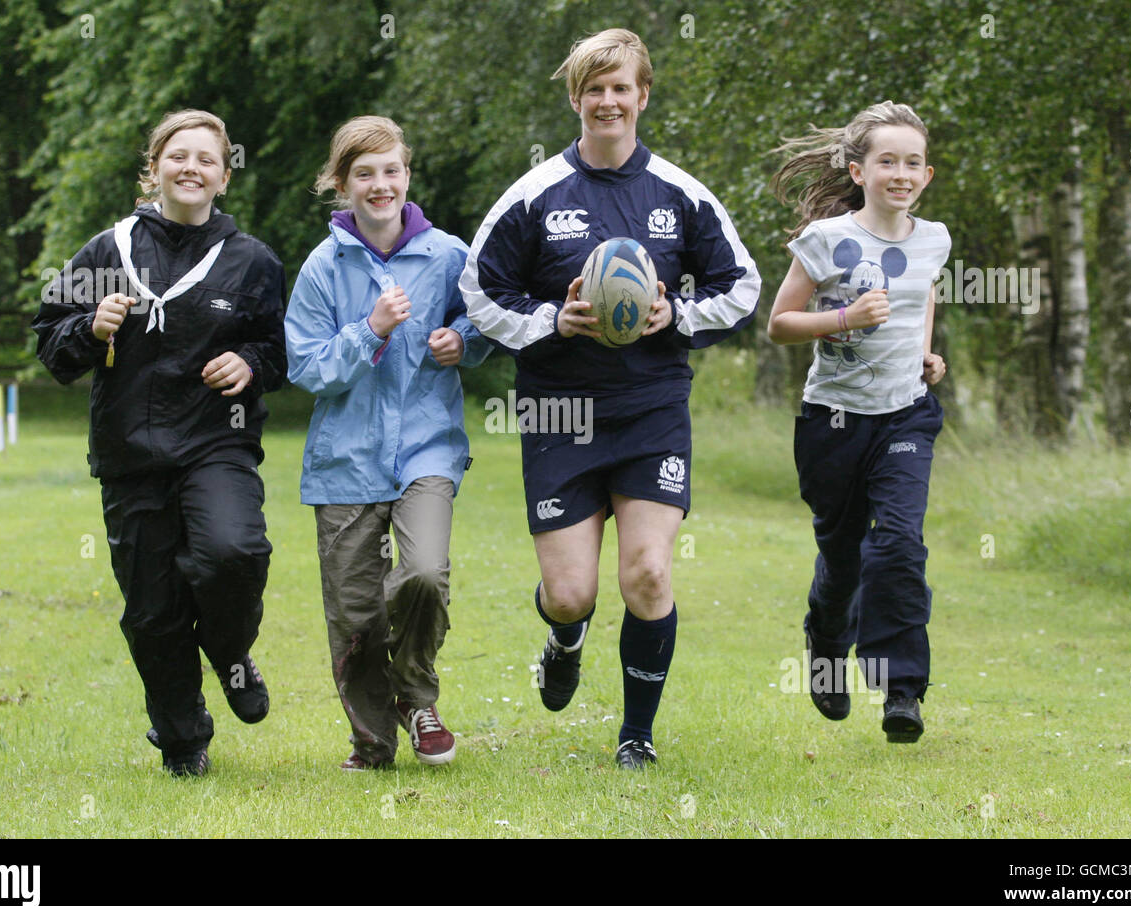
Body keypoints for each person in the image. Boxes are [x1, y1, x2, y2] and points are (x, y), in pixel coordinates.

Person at [460, 29, 761, 769]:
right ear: (576, 98)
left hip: (650, 409)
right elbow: (477, 291)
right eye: (594, 88)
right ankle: (565, 637)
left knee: (648, 574)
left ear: (643, 96)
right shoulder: (534, 196)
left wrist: (678, 316)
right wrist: (550, 321)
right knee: (569, 593)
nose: (608, 100)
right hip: (560, 413)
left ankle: (636, 735)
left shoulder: (681, 195)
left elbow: (743, 286)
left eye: (620, 87)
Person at [33, 109, 286, 776]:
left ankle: (230, 651)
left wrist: (250, 365)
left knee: (233, 552)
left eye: (207, 158)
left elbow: (280, 353)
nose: (192, 167)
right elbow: (50, 348)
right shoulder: (107, 250)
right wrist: (90, 326)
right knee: (152, 612)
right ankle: (182, 741)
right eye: (179, 155)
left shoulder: (252, 261)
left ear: (224, 176)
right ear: (154, 167)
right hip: (131, 456)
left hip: (216, 446)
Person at [286, 116, 491, 770]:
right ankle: (372, 745)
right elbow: (306, 367)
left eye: (391, 170)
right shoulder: (322, 269)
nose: (380, 185)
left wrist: (464, 342)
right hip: (344, 461)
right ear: (341, 183)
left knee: (425, 573)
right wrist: (369, 331)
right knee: (355, 618)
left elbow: (483, 322)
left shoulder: (448, 255)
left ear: (407, 175)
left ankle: (415, 692)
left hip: (427, 449)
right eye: (364, 173)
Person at [766, 101, 950, 742]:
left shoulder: (934, 239)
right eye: (887, 161)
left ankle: (901, 690)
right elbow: (779, 325)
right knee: (842, 558)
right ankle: (826, 644)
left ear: (926, 175)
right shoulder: (825, 241)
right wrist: (845, 319)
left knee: (898, 542)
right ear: (859, 170)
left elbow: (922, 292)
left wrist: (925, 352)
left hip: (905, 417)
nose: (901, 173)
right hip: (834, 422)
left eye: (913, 163)